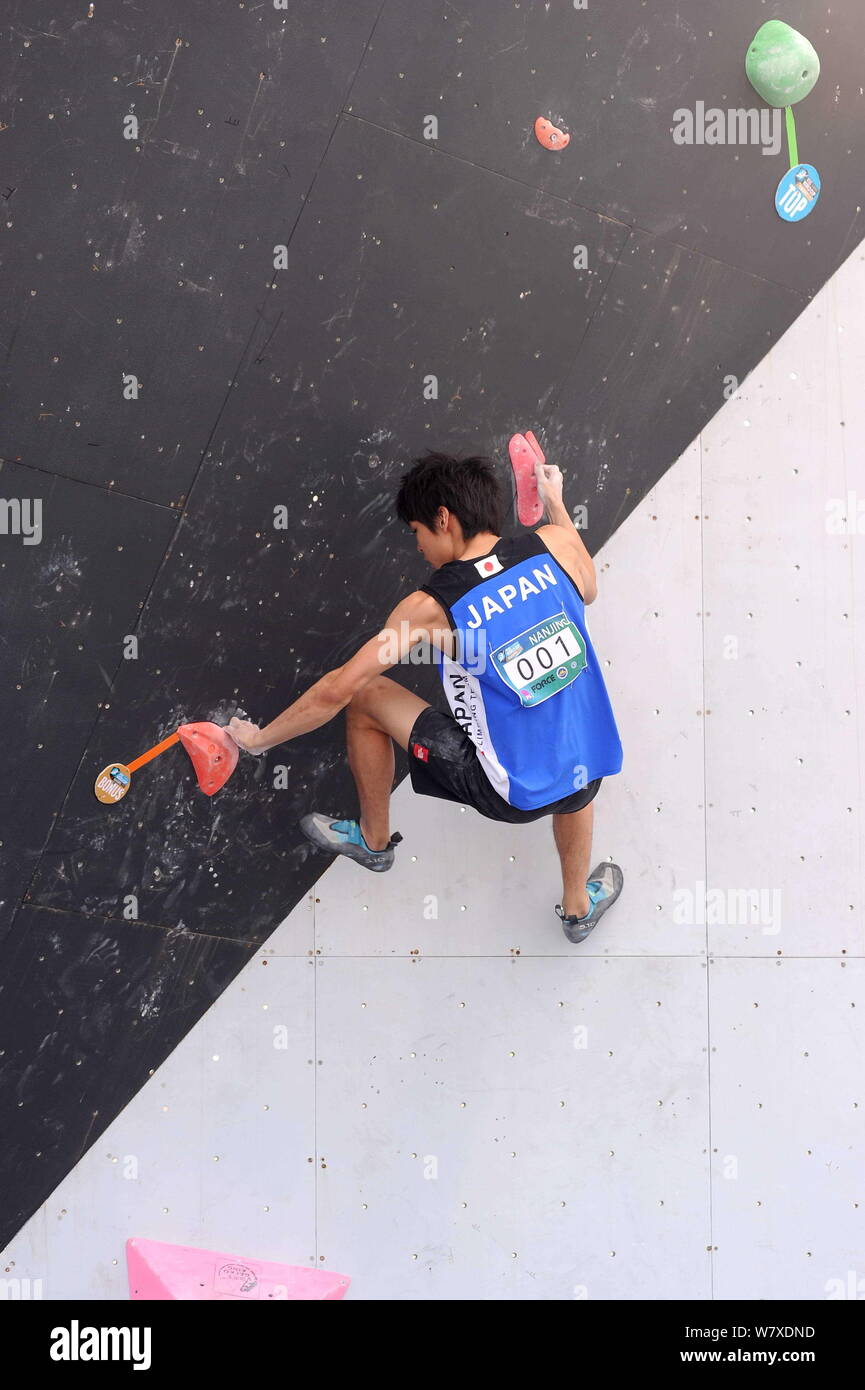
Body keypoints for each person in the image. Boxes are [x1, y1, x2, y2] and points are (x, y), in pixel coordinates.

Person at [227, 450, 624, 943]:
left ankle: (374, 843)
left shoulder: (429, 607)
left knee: (368, 697)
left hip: (510, 793)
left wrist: (260, 739)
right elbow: (586, 587)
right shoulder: (558, 544)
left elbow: (338, 688)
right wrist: (554, 502)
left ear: (443, 519)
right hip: (592, 766)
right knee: (566, 733)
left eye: (417, 531)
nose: (417, 546)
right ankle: (577, 908)